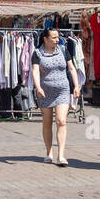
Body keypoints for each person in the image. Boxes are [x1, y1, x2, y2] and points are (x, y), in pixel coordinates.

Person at [32, 26, 78, 166]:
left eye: (58, 37)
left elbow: (71, 68)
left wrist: (76, 86)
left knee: (61, 121)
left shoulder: (64, 50)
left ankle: (61, 155)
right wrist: (38, 87)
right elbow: (35, 71)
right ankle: (49, 152)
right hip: (45, 92)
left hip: (62, 90)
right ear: (45, 39)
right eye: (54, 37)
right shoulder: (37, 53)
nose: (57, 40)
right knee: (47, 122)